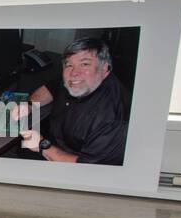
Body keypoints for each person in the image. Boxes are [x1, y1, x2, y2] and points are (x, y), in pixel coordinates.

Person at [12, 37, 129, 165]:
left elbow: (87, 170)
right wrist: (29, 104)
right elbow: (52, 87)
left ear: (105, 68)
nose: (74, 73)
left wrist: (43, 146)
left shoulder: (113, 117)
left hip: (74, 166)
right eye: (69, 65)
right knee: (21, 150)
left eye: (85, 64)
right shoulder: (79, 81)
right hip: (57, 142)